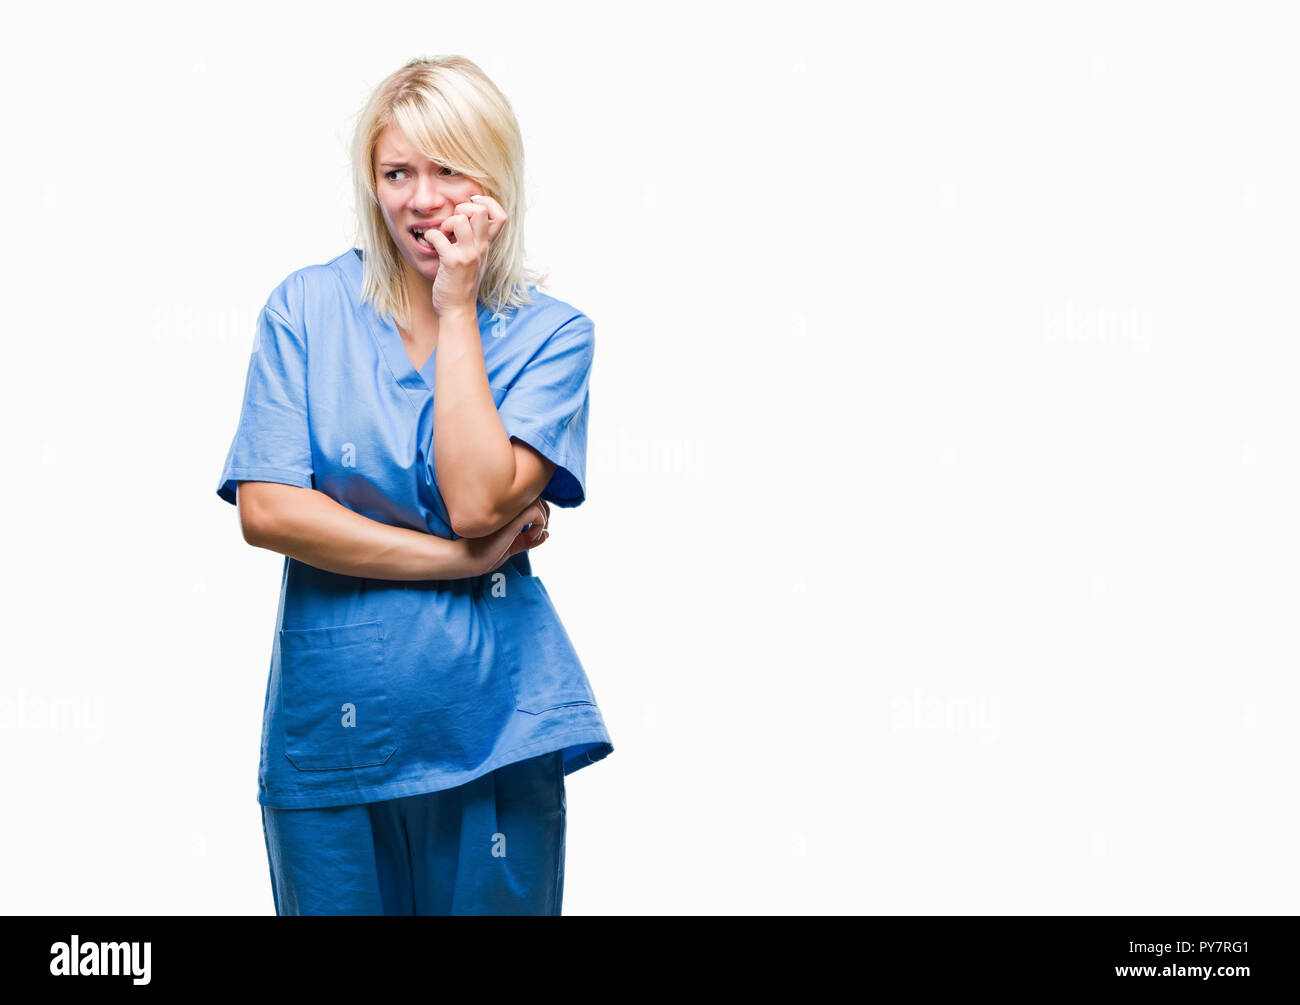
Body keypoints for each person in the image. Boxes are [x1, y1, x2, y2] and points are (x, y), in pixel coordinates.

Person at [214, 55, 614, 915]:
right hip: (332, 739)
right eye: (397, 173)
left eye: (448, 170)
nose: (421, 199)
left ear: (495, 179)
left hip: (494, 729)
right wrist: (458, 563)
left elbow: (476, 500)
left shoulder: (552, 334)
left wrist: (458, 304)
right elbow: (270, 508)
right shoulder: (307, 308)